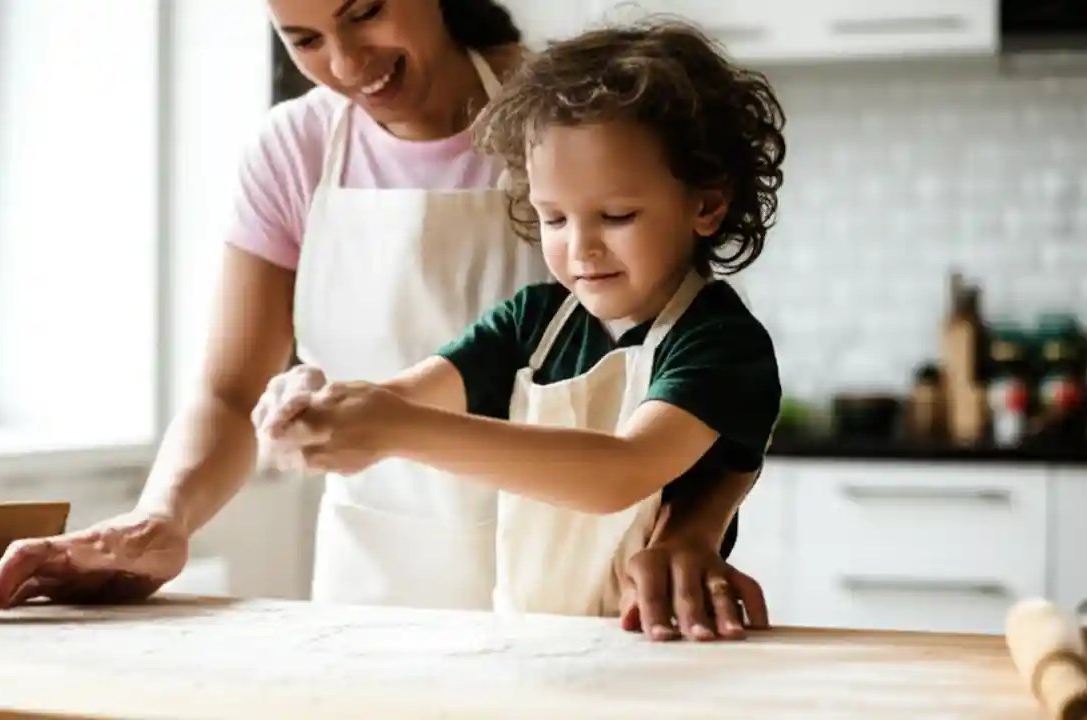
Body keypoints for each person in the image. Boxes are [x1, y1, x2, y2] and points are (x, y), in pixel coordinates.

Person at [0, 0, 768, 642]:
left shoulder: (572, 115)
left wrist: (695, 529)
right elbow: (318, 392)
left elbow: (637, 465)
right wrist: (309, 425)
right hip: (374, 587)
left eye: (366, 12)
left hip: (589, 617)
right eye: (303, 38)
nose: (347, 63)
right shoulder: (528, 298)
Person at [258, 17, 784, 633]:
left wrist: (394, 428)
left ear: (706, 204)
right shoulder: (533, 320)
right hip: (527, 639)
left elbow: (620, 471)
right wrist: (319, 408)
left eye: (616, 216)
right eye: (554, 218)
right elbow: (406, 394)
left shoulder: (719, 343)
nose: (580, 249)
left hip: (653, 642)